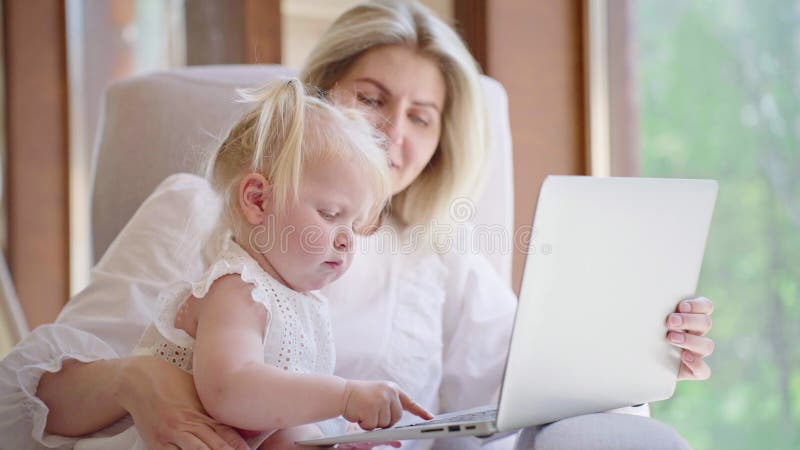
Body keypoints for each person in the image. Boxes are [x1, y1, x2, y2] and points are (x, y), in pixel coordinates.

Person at [0, 1, 714, 449]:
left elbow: (534, 386)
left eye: (421, 117)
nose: (391, 134)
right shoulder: (203, 210)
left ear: (443, 141)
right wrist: (138, 380)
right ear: (322, 98)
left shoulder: (441, 256)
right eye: (370, 98)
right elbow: (20, 395)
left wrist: (642, 347)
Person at [69, 78, 431, 449]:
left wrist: (334, 438)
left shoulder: (297, 302)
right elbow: (232, 390)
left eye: (355, 225)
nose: (346, 239)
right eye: (330, 213)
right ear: (258, 201)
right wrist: (344, 396)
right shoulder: (238, 289)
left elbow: (279, 420)